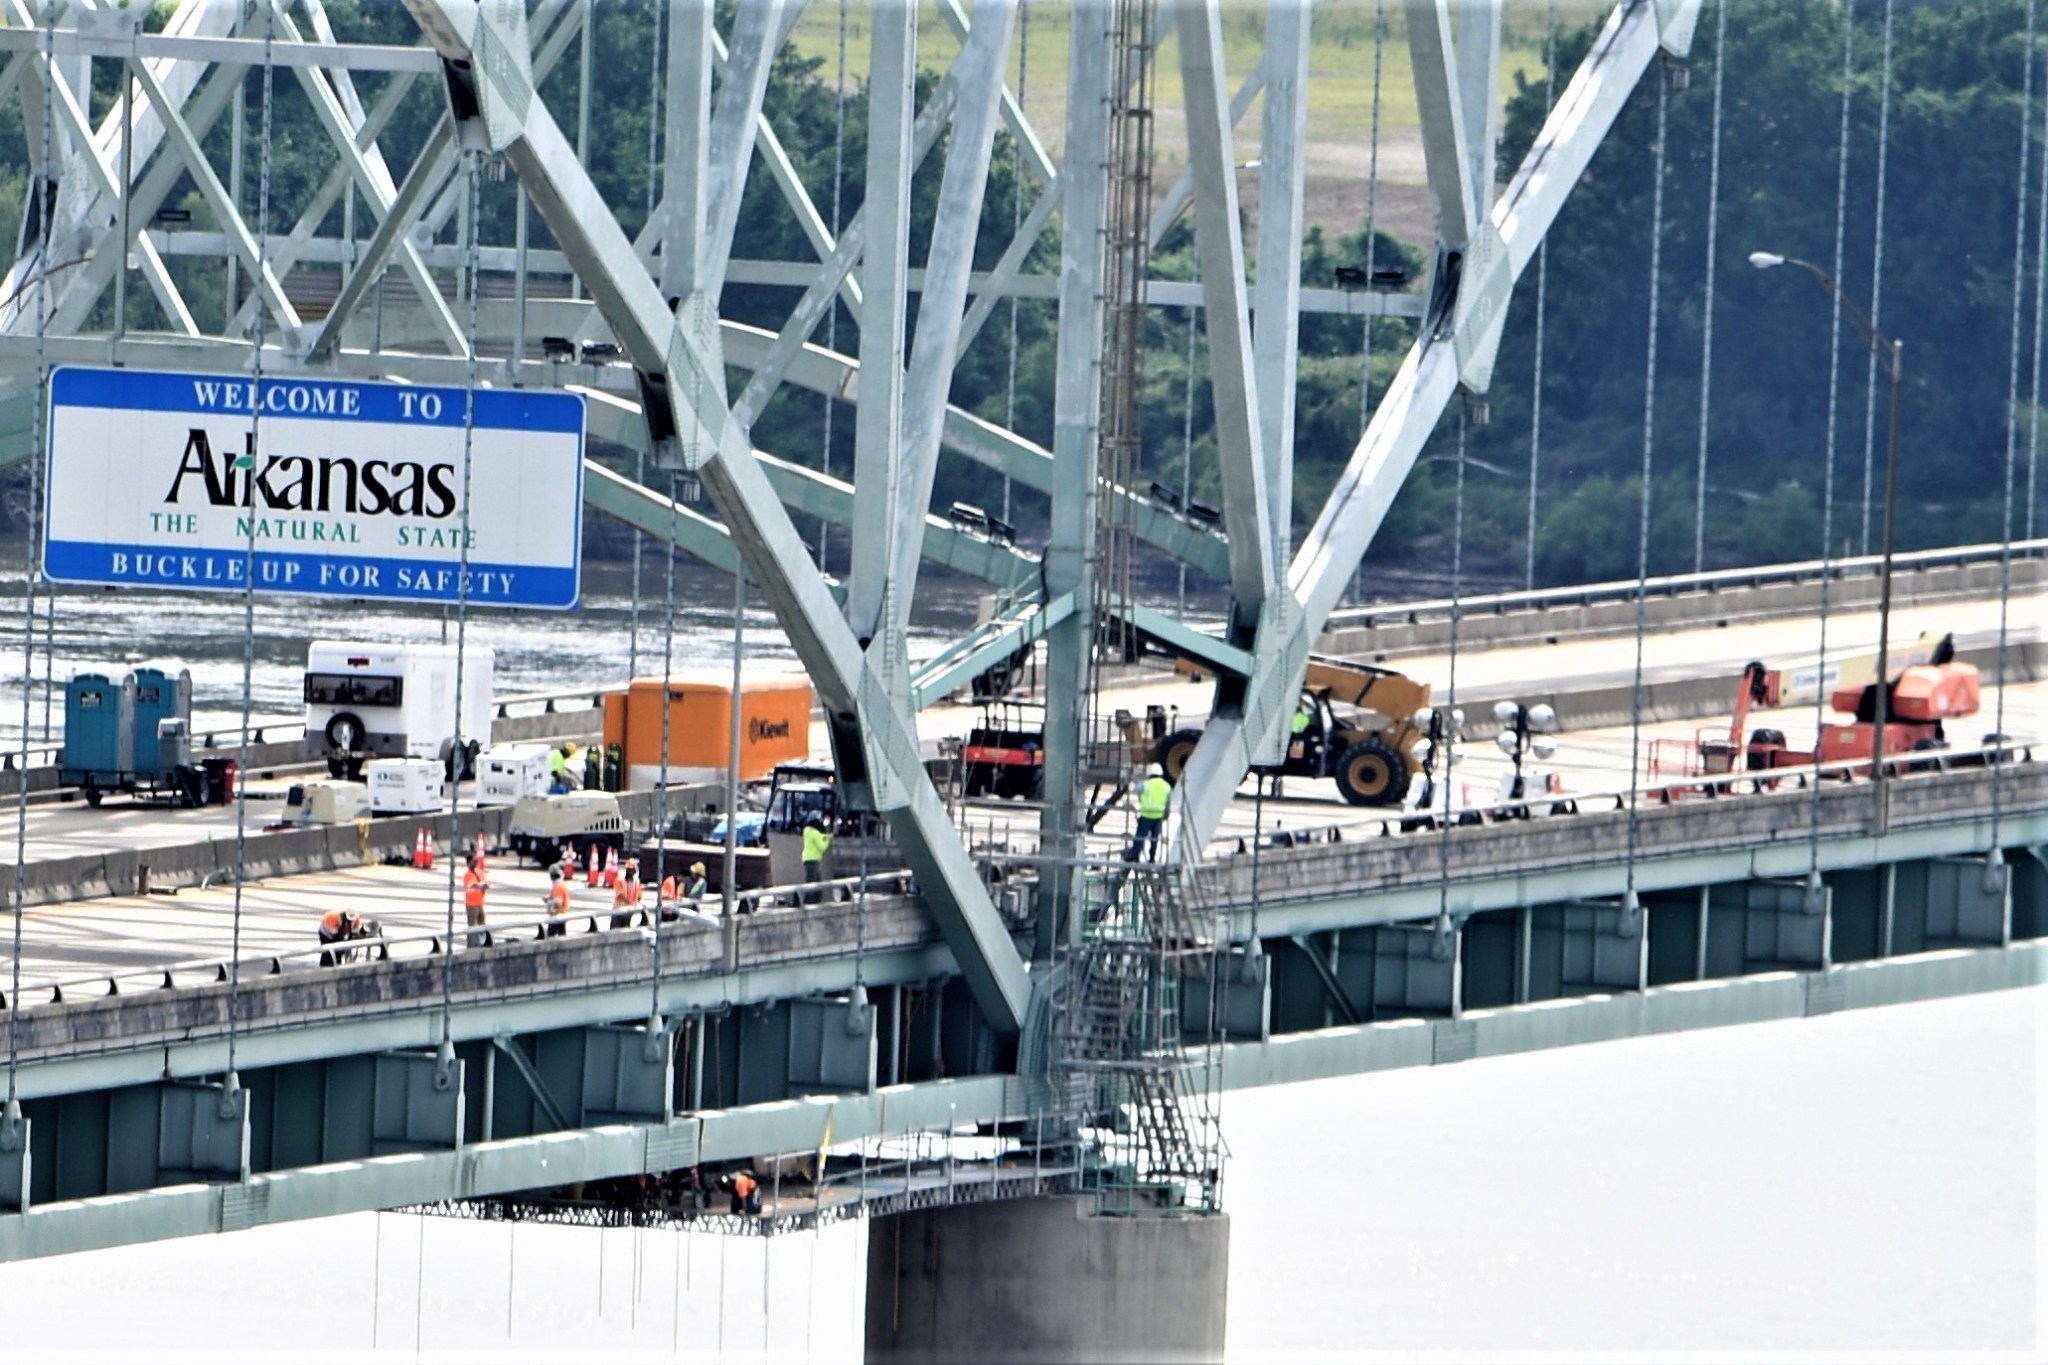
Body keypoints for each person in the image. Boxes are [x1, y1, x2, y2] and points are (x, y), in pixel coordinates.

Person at [1126, 764, 1172, 863]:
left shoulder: (1146, 784)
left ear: (1151, 774)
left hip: (1146, 815)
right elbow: (1168, 801)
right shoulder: (1166, 786)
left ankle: (1134, 856)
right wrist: (1166, 813)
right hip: (1158, 816)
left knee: (1140, 837)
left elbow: (1136, 790)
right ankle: (1152, 858)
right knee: (1154, 839)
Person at [801, 817, 832, 903]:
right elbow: (822, 847)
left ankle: (815, 900)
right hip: (813, 859)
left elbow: (820, 836)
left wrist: (824, 836)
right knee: (812, 881)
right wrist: (828, 840)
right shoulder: (815, 834)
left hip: (807, 858)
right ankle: (809, 901)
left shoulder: (807, 832)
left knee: (815, 880)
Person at [610, 856, 643, 928]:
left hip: (629, 909)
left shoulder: (636, 881)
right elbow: (620, 894)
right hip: (619, 908)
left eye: (631, 870)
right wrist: (630, 902)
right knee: (615, 930)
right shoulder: (620, 879)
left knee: (625, 928)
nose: (630, 872)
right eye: (629, 869)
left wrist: (636, 904)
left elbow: (639, 894)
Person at [463, 855, 489, 943]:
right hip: (471, 904)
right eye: (473, 861)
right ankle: (471, 945)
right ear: (468, 863)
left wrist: (485, 885)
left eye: (476, 861)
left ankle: (482, 942)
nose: (475, 863)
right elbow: (473, 885)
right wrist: (481, 885)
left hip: (480, 903)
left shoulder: (480, 872)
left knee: (482, 924)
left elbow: (486, 882)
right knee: (472, 926)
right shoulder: (467, 875)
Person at [545, 867, 571, 937]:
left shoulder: (558, 887)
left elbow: (557, 902)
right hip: (562, 914)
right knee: (561, 934)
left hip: (557, 915)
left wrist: (548, 901)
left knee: (552, 935)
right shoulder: (561, 885)